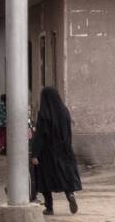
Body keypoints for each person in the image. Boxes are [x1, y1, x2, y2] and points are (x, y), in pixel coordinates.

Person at [30, 86, 82, 215]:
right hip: (64, 150)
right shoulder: (64, 111)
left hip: (47, 153)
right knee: (64, 175)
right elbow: (68, 132)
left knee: (45, 179)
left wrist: (35, 154)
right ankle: (70, 194)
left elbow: (40, 136)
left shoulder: (44, 114)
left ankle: (49, 207)